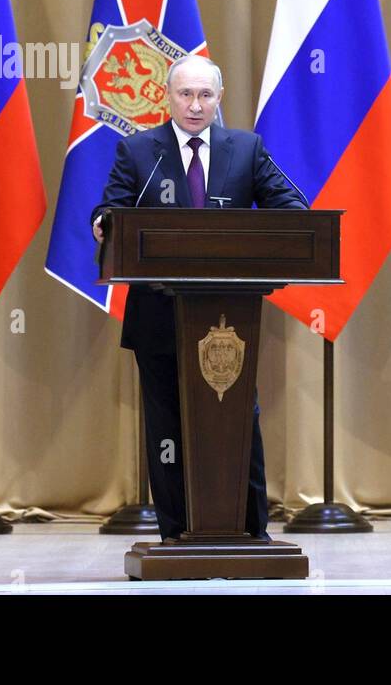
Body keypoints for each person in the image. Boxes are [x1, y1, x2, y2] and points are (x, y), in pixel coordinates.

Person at [92, 55, 307, 542]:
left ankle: (252, 532)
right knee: (167, 430)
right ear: (167, 98)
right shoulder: (139, 150)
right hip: (158, 318)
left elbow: (290, 207)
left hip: (228, 320)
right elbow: (112, 206)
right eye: (186, 94)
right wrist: (103, 221)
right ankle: (175, 532)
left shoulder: (246, 149)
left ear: (219, 99)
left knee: (238, 426)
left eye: (205, 95)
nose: (195, 104)